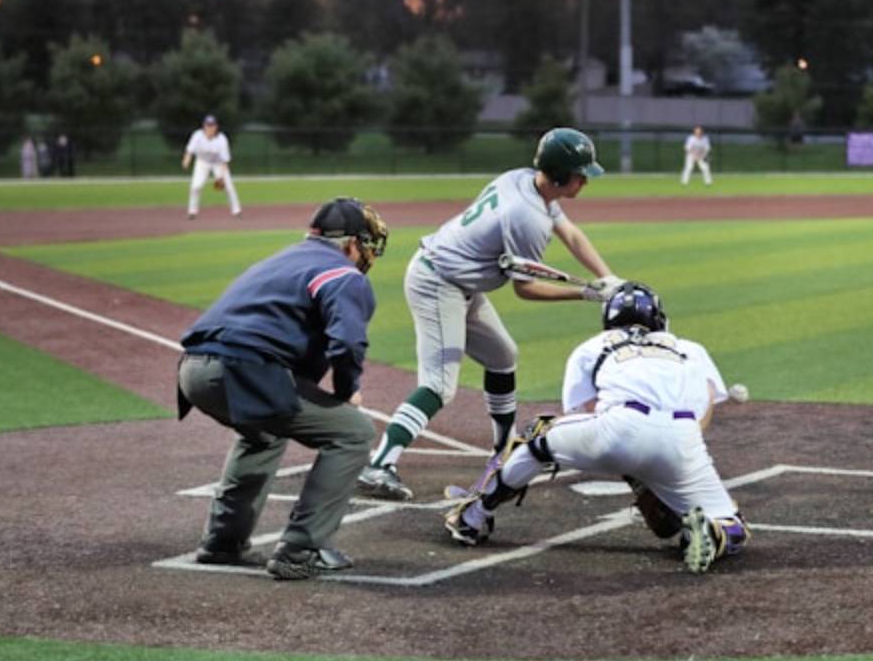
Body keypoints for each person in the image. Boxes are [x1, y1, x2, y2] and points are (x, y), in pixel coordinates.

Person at [356, 127, 624, 501]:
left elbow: (571, 233)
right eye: (580, 174)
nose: (585, 181)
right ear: (561, 174)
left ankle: (503, 448)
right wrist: (584, 293)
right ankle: (380, 464)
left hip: (463, 282)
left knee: (502, 356)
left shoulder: (524, 180)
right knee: (438, 385)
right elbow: (525, 288)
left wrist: (607, 277)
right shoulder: (526, 217)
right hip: (438, 282)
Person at [444, 282, 751, 575]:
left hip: (619, 429)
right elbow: (705, 408)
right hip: (683, 438)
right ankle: (714, 532)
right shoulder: (690, 348)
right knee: (734, 524)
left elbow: (580, 413)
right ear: (659, 319)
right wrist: (660, 475)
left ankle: (474, 516)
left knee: (540, 434)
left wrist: (632, 470)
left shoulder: (594, 346)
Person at [176, 197, 388, 580]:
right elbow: (348, 344)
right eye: (366, 243)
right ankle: (302, 548)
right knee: (354, 432)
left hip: (192, 372)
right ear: (351, 244)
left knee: (263, 435)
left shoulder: (282, 259)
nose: (368, 252)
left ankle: (222, 543)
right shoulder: (344, 274)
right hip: (243, 370)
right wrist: (345, 391)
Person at [183, 114, 242, 219]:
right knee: (196, 186)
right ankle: (192, 212)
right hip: (202, 162)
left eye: (212, 125)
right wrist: (187, 160)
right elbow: (190, 150)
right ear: (204, 126)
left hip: (218, 163)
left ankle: (236, 211)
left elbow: (224, 161)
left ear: (216, 127)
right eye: (208, 125)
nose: (210, 128)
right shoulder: (197, 135)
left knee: (228, 186)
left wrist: (221, 177)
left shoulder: (221, 139)